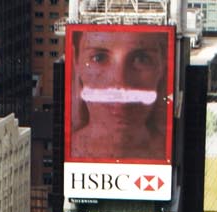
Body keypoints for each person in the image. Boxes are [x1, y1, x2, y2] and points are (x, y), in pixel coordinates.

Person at [68, 26, 171, 164]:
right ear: (76, 62)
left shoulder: (171, 151)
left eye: (141, 59)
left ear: (163, 66)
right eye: (99, 58)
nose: (120, 84)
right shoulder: (70, 151)